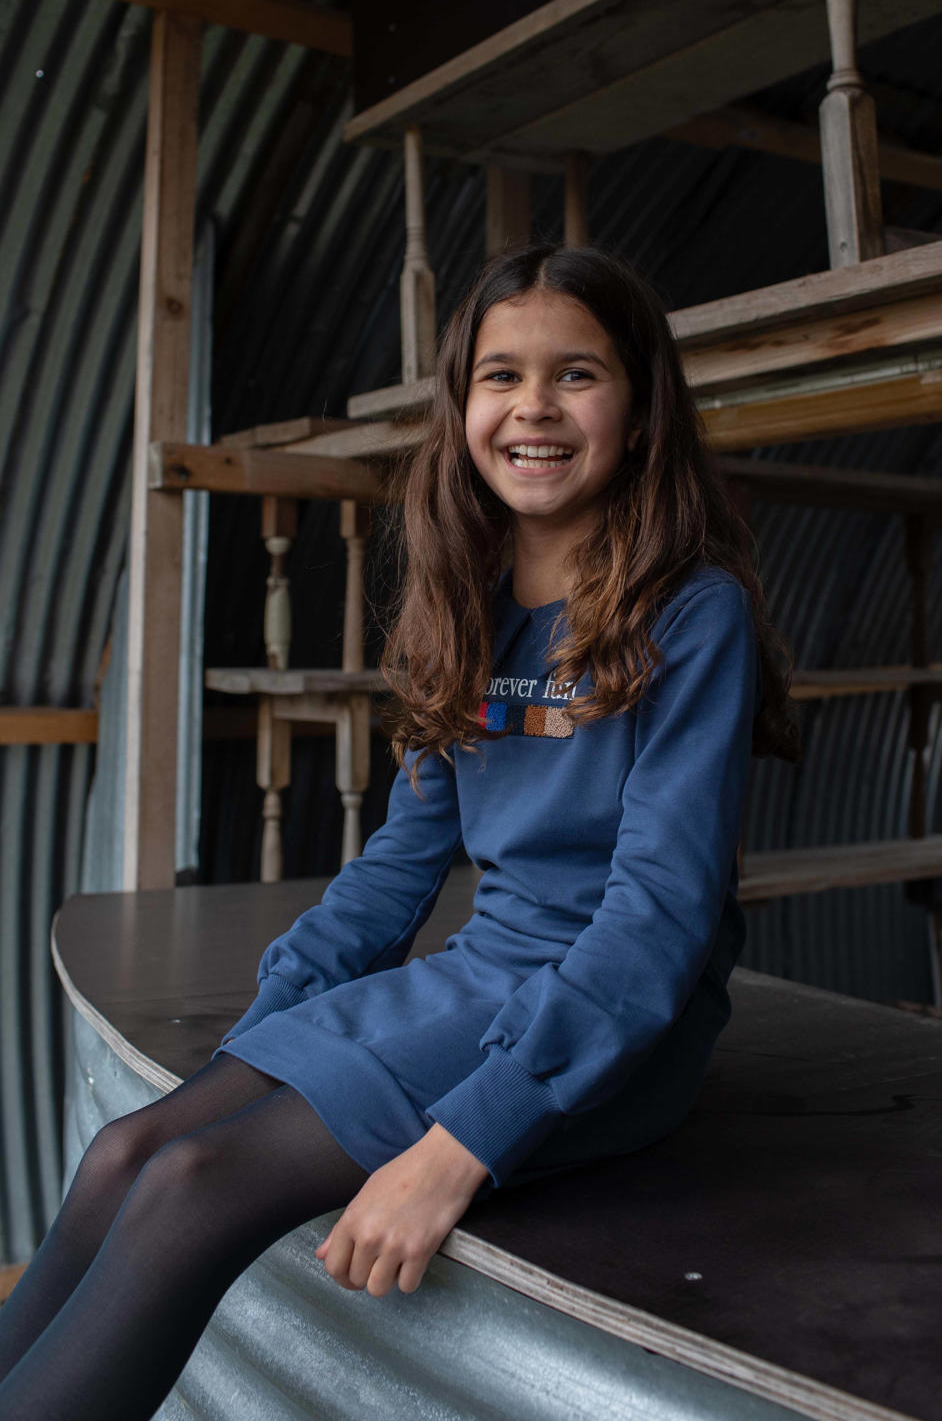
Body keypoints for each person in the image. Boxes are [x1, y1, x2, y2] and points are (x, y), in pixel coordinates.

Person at [0, 243, 799, 1420]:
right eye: (499, 376)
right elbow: (398, 868)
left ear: (638, 412)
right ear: (460, 409)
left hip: (612, 1028)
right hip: (480, 979)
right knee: (127, 1154)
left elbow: (660, 919)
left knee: (196, 1186)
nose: (533, 405)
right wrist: (267, 1040)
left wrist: (461, 1145)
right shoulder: (464, 606)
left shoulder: (690, 611)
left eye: (576, 374)